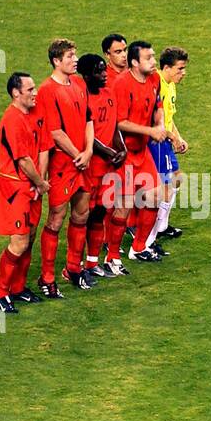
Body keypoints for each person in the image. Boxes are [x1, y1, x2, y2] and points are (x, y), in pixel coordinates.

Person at [34, 38, 94, 295]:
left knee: (82, 213)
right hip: (62, 164)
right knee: (56, 218)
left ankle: (73, 268)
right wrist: (77, 154)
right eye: (70, 56)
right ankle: (46, 277)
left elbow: (88, 119)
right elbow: (54, 131)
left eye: (75, 55)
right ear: (56, 61)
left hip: (84, 160)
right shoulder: (48, 90)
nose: (75, 59)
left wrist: (89, 151)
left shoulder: (79, 83)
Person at [0, 73, 50, 311]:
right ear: (16, 93)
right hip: (15, 188)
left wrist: (40, 182)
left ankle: (18, 288)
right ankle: (0, 294)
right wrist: (39, 182)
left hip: (34, 186)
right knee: (18, 242)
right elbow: (24, 160)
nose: (35, 93)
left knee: (30, 237)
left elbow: (44, 149)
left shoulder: (36, 113)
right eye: (30, 89)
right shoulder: (12, 119)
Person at [111, 40, 167, 266]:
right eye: (149, 58)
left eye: (153, 57)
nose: (154, 62)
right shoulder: (121, 84)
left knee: (154, 196)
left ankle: (139, 247)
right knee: (122, 208)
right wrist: (151, 130)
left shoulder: (154, 79)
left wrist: (160, 125)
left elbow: (158, 105)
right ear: (134, 63)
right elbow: (120, 122)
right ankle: (112, 257)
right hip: (124, 153)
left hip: (142, 151)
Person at [75, 53, 127, 278]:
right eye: (98, 71)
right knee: (82, 217)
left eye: (104, 70)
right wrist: (107, 151)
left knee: (99, 213)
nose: (105, 74)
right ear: (86, 76)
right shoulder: (81, 97)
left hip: (108, 167)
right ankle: (73, 266)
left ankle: (92, 263)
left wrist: (121, 147)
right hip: (89, 168)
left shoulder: (109, 92)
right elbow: (83, 132)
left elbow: (114, 126)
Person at [146, 46, 188, 248]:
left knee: (177, 179)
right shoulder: (157, 84)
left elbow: (169, 117)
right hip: (157, 141)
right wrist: (171, 137)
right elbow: (153, 120)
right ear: (167, 67)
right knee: (162, 189)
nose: (183, 73)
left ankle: (162, 226)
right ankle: (149, 237)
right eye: (180, 68)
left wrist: (178, 137)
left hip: (167, 140)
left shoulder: (170, 85)